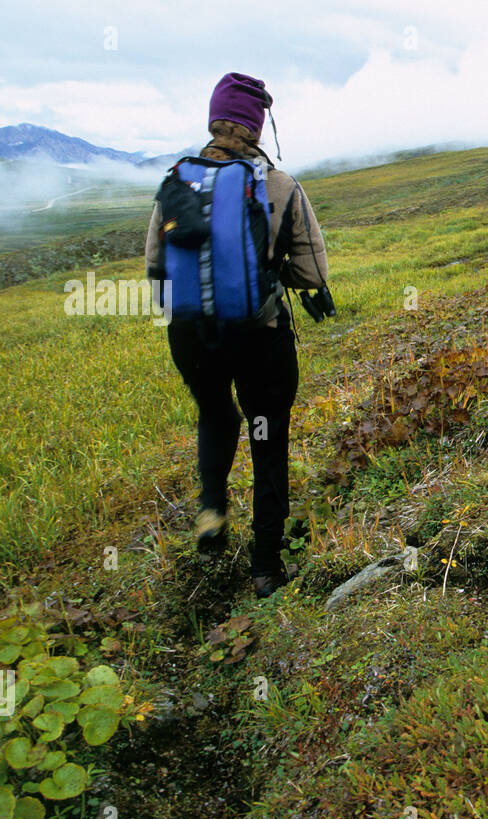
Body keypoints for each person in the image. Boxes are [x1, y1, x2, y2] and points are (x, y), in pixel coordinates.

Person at [144, 72, 329, 597]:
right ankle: (266, 568)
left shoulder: (176, 182)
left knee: (215, 414)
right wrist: (270, 278)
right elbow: (314, 274)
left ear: (213, 119)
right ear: (256, 127)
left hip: (191, 336)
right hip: (260, 335)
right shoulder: (279, 186)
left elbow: (156, 270)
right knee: (267, 437)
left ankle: (211, 509)